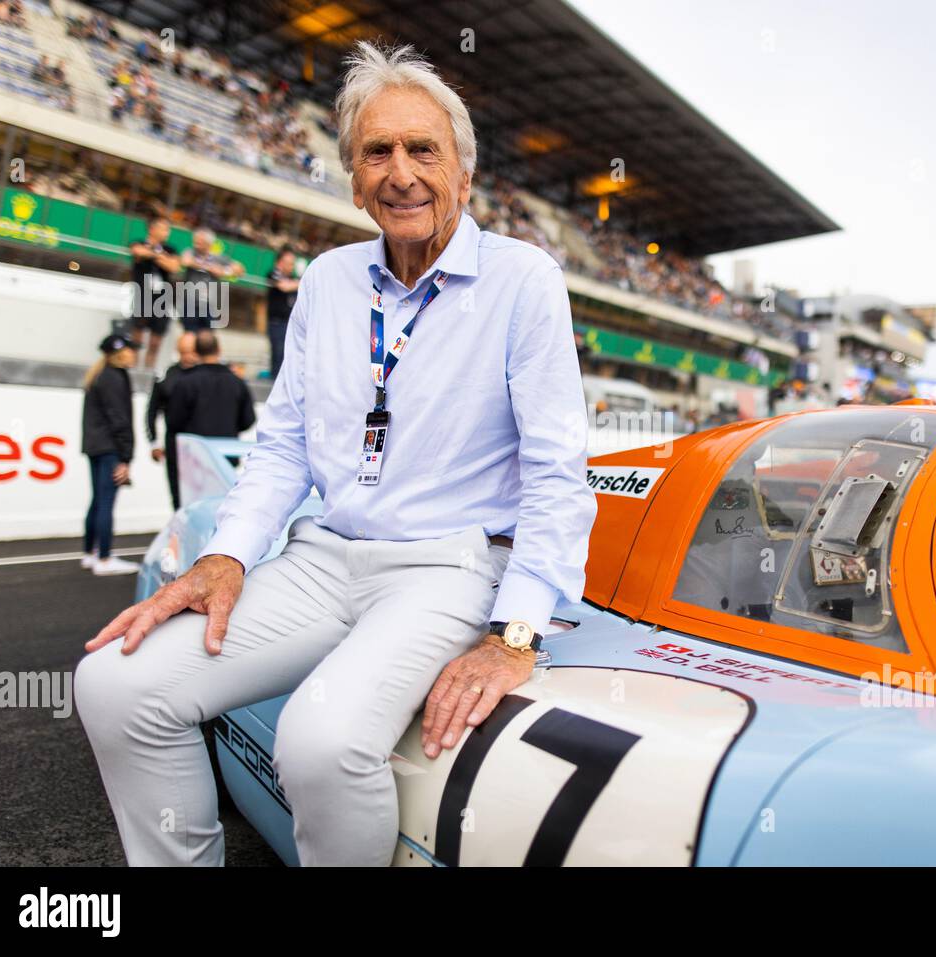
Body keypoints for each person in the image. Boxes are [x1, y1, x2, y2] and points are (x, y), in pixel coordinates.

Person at [75, 40, 597, 867]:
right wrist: (225, 556)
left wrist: (517, 635)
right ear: (354, 180)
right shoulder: (326, 280)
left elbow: (557, 468)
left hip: (448, 569)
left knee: (318, 739)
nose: (400, 172)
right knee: (114, 685)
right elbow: (282, 443)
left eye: (423, 149)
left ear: (464, 172)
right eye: (376, 152)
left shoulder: (523, 278)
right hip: (321, 557)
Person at [80, 333, 140, 576]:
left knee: (97, 500)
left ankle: (90, 554)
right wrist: (125, 457)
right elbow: (119, 419)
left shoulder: (99, 375)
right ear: (119, 352)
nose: (135, 353)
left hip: (96, 446)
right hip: (109, 448)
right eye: (130, 349)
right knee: (105, 501)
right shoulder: (114, 378)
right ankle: (104, 558)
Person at [165, 331, 256, 441]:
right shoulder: (237, 383)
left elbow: (174, 421)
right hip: (226, 452)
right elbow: (248, 419)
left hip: (195, 451)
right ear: (219, 349)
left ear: (195, 352)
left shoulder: (185, 382)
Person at [146, 331, 198, 509]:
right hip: (174, 442)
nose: (188, 357)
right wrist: (154, 442)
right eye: (184, 352)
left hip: (199, 444)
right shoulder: (168, 375)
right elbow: (152, 411)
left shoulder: (205, 375)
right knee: (177, 495)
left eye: (191, 351)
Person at [129, 217, 180, 368]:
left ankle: (148, 370)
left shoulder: (171, 249)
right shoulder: (139, 242)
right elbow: (137, 251)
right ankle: (133, 367)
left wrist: (154, 255)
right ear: (152, 229)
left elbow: (174, 266)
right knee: (137, 334)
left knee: (155, 340)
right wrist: (159, 255)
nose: (167, 232)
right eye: (164, 229)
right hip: (143, 294)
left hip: (162, 297)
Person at [179, 228, 242, 332]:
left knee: (207, 337)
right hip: (190, 303)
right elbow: (185, 261)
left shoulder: (218, 258)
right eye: (195, 241)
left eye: (200, 242)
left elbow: (239, 269)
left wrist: (224, 271)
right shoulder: (190, 252)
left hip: (209, 305)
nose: (196, 244)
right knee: (190, 335)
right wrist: (209, 267)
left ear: (209, 244)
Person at [266, 247, 300, 378]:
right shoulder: (273, 273)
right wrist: (301, 282)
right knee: (278, 356)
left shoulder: (293, 277)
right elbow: (284, 286)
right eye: (289, 263)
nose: (292, 267)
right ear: (280, 262)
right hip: (277, 323)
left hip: (290, 323)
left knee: (289, 357)